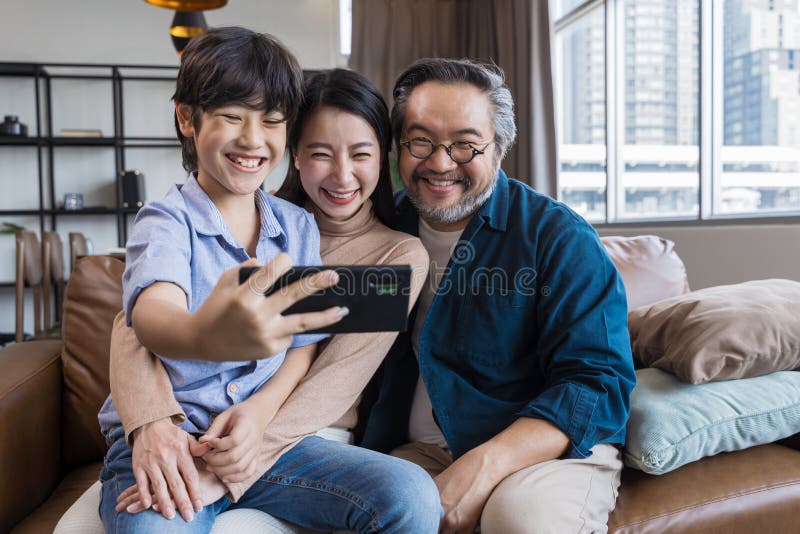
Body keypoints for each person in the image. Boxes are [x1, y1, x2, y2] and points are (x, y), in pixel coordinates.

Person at [96, 29, 439, 533]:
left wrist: (252, 433)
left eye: (361, 154)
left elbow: (323, 367)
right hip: (185, 437)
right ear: (296, 155)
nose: (342, 175)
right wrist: (153, 418)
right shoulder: (183, 220)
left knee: (409, 495)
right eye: (321, 152)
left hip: (283, 444)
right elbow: (139, 321)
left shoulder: (389, 256)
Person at [355, 57, 637, 534]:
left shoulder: (557, 237)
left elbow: (597, 382)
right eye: (420, 141)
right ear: (397, 148)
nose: (440, 163)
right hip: (415, 452)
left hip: (546, 451)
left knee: (519, 519)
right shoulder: (379, 228)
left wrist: (482, 467)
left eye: (465, 144)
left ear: (500, 149)